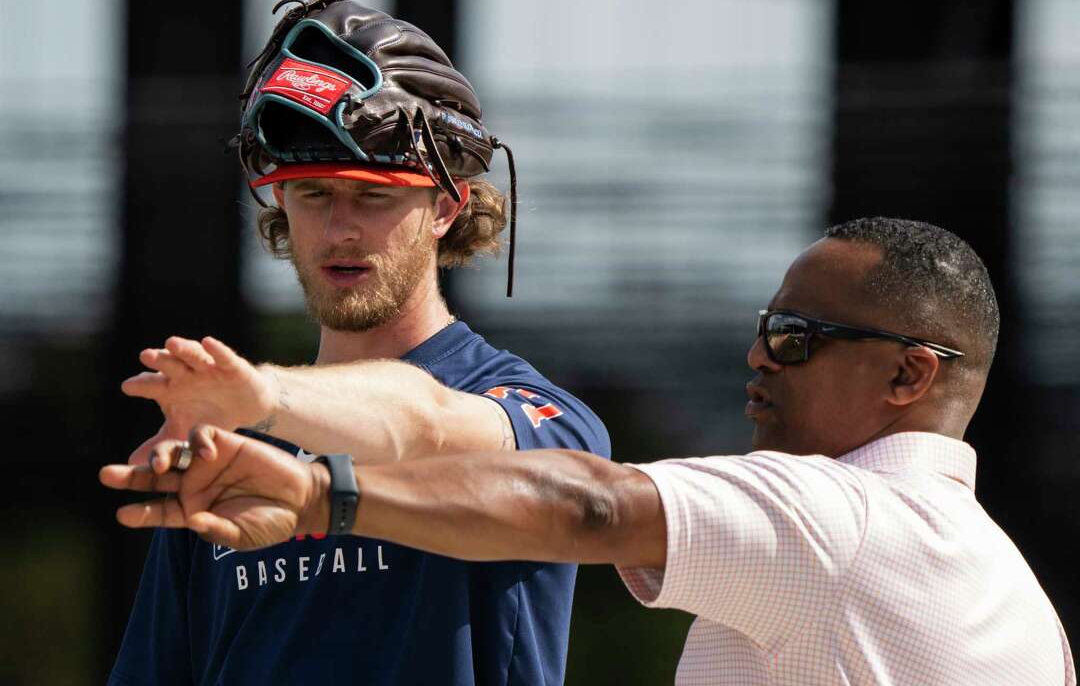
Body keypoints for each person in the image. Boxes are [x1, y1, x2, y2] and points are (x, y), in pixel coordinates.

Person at [104, 218, 1076, 685]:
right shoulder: (1024, 605)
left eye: (795, 336)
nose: (755, 356)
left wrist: (320, 494)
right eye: (762, 325)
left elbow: (591, 508)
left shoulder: (841, 520)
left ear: (909, 376)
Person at [107, 0, 610, 686]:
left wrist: (266, 396)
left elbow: (428, 421)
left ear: (446, 205)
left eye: (373, 196)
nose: (340, 228)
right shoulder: (226, 444)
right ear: (281, 204)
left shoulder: (527, 411)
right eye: (312, 193)